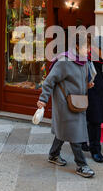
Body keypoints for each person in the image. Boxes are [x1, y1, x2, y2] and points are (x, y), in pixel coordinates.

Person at [37, 36, 95, 178]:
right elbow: (49, 81)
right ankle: (82, 165)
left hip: (78, 102)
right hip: (64, 103)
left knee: (64, 130)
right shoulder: (64, 61)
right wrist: (43, 100)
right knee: (75, 133)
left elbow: (82, 80)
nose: (88, 50)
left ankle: (53, 154)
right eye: (86, 47)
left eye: (89, 47)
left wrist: (88, 84)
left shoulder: (84, 62)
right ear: (76, 46)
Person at [82, 36, 103, 163]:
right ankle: (95, 150)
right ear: (94, 48)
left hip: (102, 95)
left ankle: (85, 142)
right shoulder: (87, 61)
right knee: (93, 121)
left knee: (95, 121)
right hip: (90, 94)